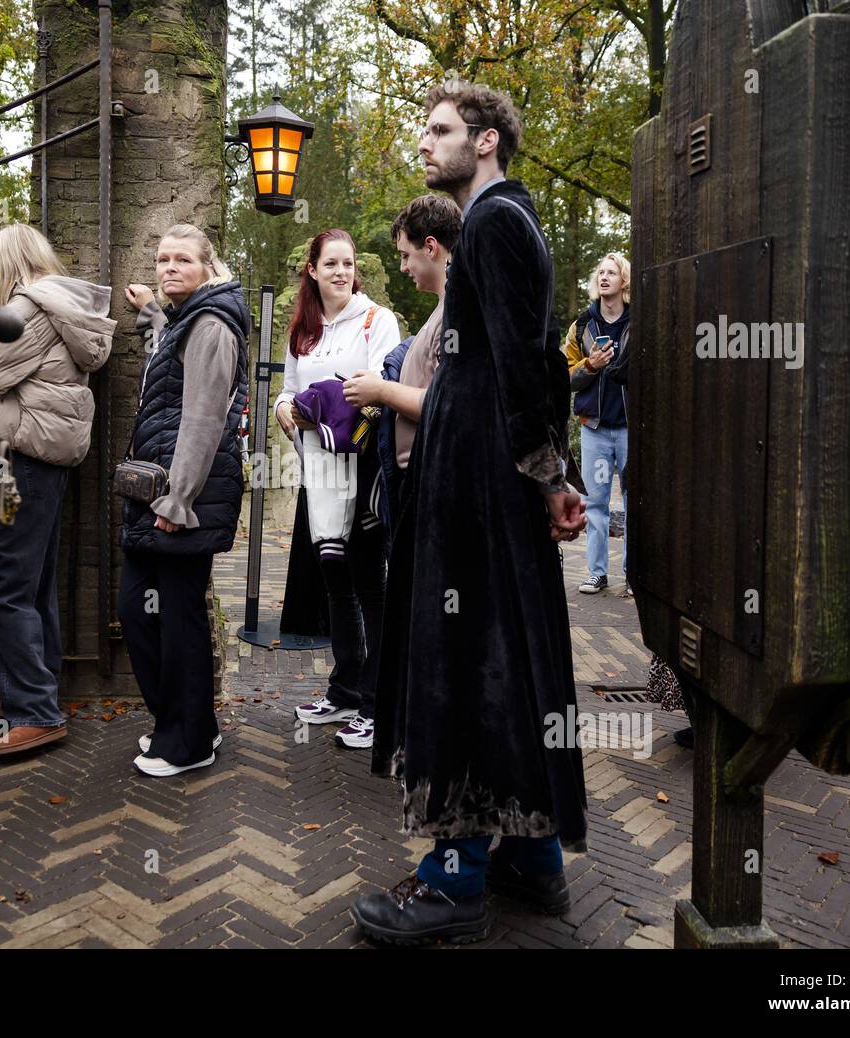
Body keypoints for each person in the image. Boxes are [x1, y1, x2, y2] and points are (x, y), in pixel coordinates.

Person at [350, 80, 588, 945]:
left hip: (481, 488)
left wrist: (547, 474)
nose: (427, 142)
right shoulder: (503, 224)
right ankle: (532, 858)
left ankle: (455, 877)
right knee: (502, 652)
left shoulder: (491, 223)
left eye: (443, 130)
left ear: (486, 142)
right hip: (481, 476)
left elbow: (532, 364)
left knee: (468, 656)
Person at [118, 224, 249, 777]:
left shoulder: (213, 324)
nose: (169, 267)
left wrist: (178, 501)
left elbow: (202, 419)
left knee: (176, 619)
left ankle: (187, 742)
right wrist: (151, 310)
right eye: (162, 259)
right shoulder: (188, 317)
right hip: (163, 497)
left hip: (181, 500)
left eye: (182, 261)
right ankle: (190, 726)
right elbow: (171, 345)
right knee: (145, 611)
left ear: (207, 268)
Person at [0, 224, 115, 758]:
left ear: (10, 263)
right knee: (33, 583)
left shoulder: (24, 311)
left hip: (16, 461)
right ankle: (34, 689)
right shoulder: (67, 304)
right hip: (43, 462)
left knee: (2, 585)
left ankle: (34, 710)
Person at [275, 230, 400, 750]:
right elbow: (287, 392)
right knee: (335, 580)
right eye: (331, 263)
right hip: (320, 472)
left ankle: (378, 703)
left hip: (365, 470)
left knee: (370, 582)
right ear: (312, 269)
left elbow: (384, 391)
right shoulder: (301, 329)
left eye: (348, 263)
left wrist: (333, 404)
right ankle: (346, 686)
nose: (341, 272)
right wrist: (288, 411)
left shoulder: (376, 320)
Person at [346, 194, 460, 546]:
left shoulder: (457, 314)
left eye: (404, 256)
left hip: (436, 484)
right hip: (418, 482)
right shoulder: (442, 311)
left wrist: (380, 391)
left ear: (430, 247)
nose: (402, 267)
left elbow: (445, 406)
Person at [566, 253, 631, 596]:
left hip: (631, 427)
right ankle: (596, 573)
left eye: (612, 272)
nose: (605, 277)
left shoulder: (638, 322)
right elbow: (565, 377)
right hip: (594, 428)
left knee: (636, 503)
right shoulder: (582, 326)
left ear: (624, 281)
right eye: (601, 272)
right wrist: (590, 366)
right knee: (596, 503)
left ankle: (632, 575)